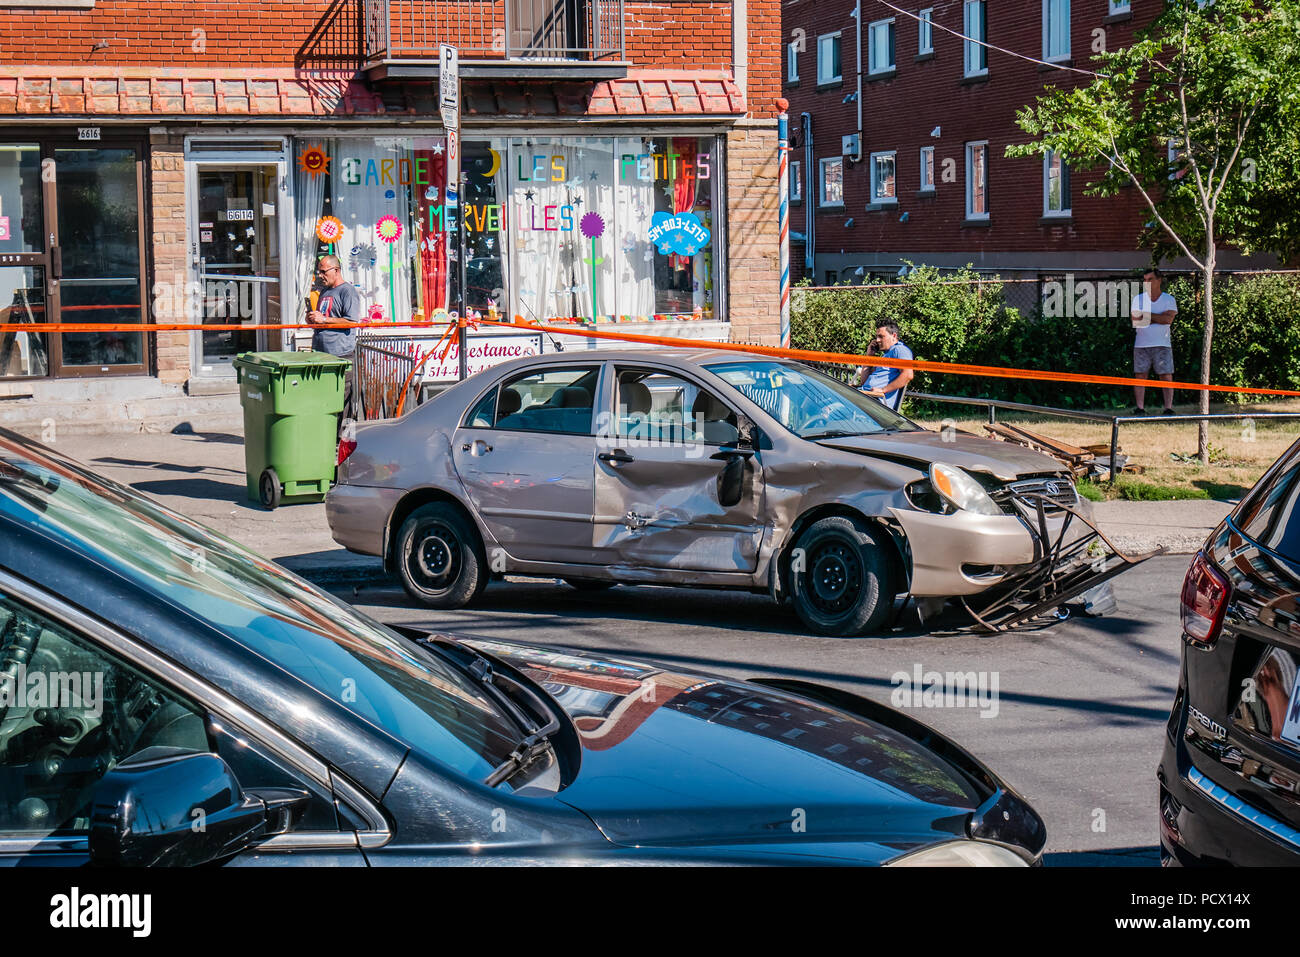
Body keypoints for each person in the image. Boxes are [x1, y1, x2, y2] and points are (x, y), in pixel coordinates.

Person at [306, 255, 362, 429]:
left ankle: (340, 440)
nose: (320, 276)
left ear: (336, 270)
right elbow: (325, 318)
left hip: (340, 355)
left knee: (340, 399)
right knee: (322, 397)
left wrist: (323, 320)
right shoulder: (325, 291)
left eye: (323, 272)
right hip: (321, 353)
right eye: (319, 272)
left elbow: (352, 322)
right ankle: (325, 436)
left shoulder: (348, 291)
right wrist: (313, 319)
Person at [1130, 267, 1177, 416]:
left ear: (1159, 280)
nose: (1146, 282)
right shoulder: (1138, 299)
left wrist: (1147, 316)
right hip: (1141, 344)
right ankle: (1140, 408)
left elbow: (1168, 319)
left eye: (1150, 279)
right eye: (1144, 280)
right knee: (1140, 376)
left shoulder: (1169, 299)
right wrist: (1158, 317)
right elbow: (1136, 321)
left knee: (1166, 375)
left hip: (1163, 344)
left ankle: (1168, 408)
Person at [851, 321, 914, 411]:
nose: (877, 340)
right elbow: (864, 382)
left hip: (876, 402)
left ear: (894, 336)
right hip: (865, 396)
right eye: (877, 337)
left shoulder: (900, 350)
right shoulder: (886, 355)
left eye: (881, 336)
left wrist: (883, 390)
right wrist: (869, 356)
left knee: (830, 410)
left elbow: (908, 375)